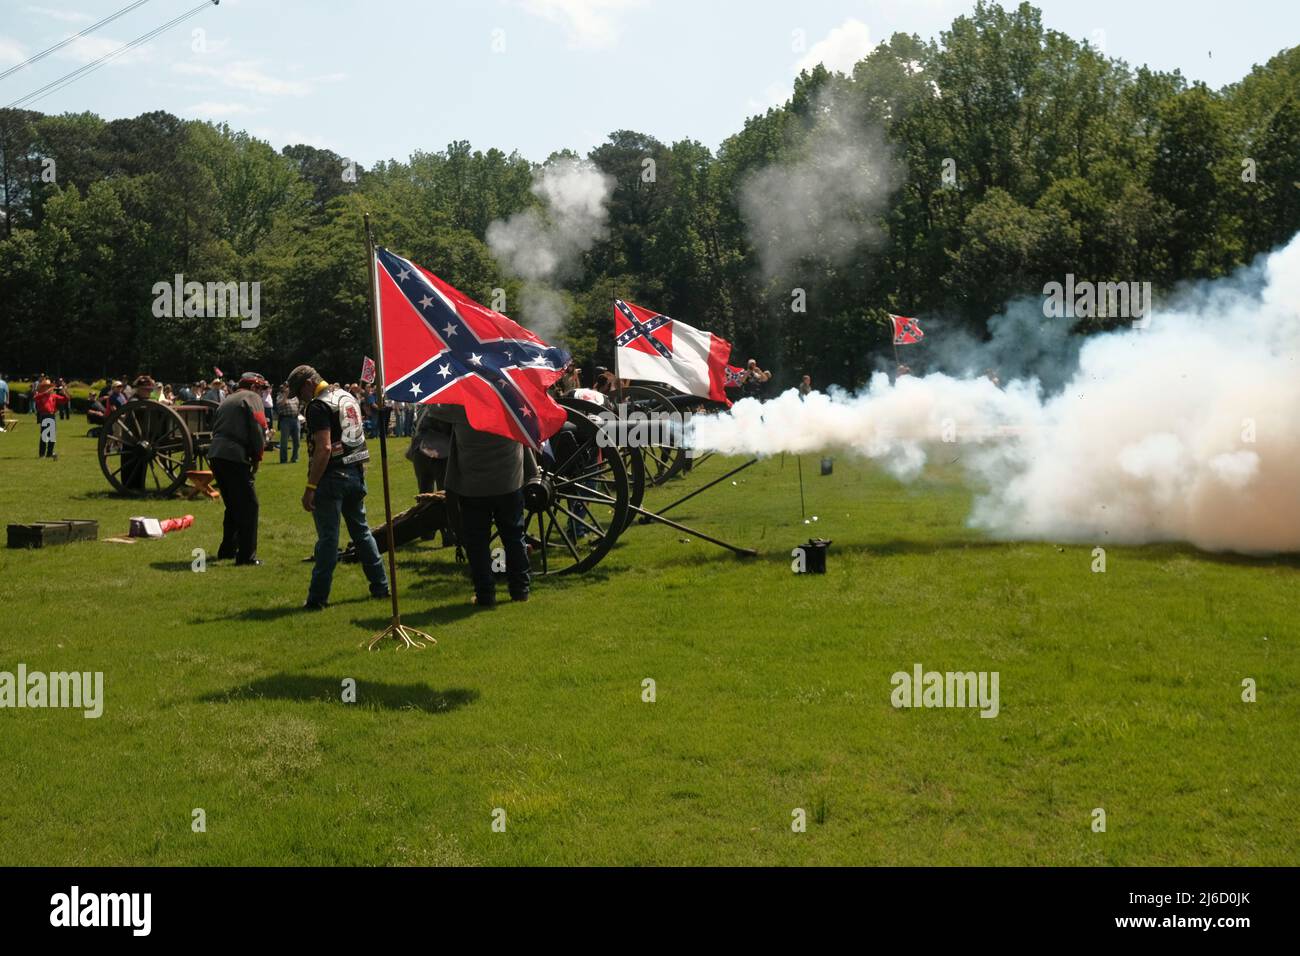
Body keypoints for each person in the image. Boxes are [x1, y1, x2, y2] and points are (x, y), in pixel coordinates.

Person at [286, 364, 389, 610]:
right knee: (362, 534)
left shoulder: (318, 406)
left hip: (331, 477)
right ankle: (381, 586)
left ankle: (317, 599)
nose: (300, 399)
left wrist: (311, 486)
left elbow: (324, 448)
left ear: (309, 384)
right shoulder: (347, 396)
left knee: (328, 540)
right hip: (355, 472)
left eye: (300, 392)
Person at [423, 403, 534, 606]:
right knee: (514, 538)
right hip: (508, 482)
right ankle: (520, 590)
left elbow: (433, 409)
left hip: (473, 486)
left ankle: (485, 594)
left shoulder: (462, 408)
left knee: (478, 543)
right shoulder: (508, 402)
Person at [208, 372, 269, 566]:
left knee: (233, 505)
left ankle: (227, 550)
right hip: (234, 455)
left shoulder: (228, 399)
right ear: (253, 387)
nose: (261, 392)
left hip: (216, 453)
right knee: (250, 506)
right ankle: (246, 557)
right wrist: (258, 457)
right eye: (260, 388)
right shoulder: (251, 398)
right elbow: (258, 427)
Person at [33, 378, 69, 458]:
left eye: (49, 386)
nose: (48, 388)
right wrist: (46, 393)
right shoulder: (40, 395)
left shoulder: (53, 396)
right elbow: (35, 398)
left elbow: (66, 400)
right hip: (44, 416)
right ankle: (42, 454)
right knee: (44, 436)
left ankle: (49, 453)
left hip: (52, 415)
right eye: (46, 386)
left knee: (52, 436)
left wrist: (64, 393)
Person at [275, 383, 300, 464]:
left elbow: (298, 406)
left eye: (288, 387)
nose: (287, 388)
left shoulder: (294, 397)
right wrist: (286, 395)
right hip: (286, 420)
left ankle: (294, 458)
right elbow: (281, 404)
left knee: (297, 441)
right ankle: (283, 460)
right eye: (286, 387)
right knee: (284, 442)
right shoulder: (280, 396)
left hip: (295, 419)